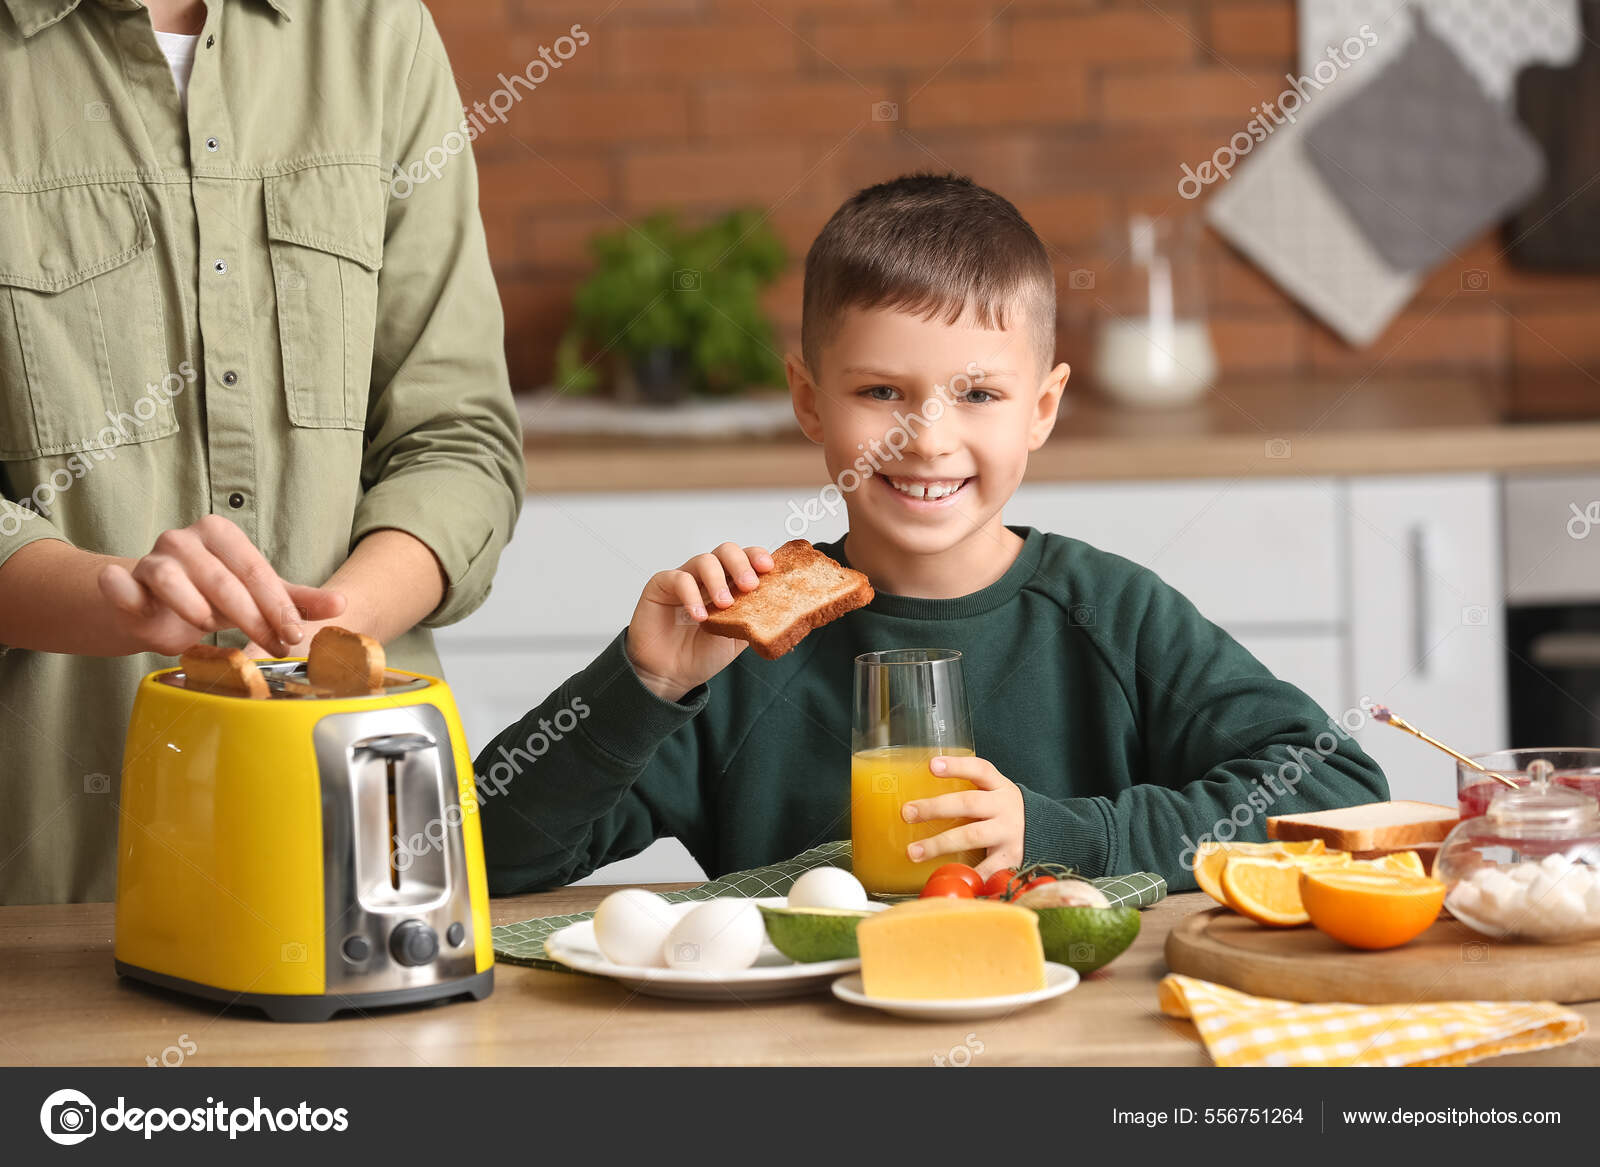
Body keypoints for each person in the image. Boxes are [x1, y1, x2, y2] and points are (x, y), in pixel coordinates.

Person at [473, 173, 1387, 895]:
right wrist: (645, 684)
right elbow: (482, 852)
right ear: (808, 401)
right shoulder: (734, 641)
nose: (928, 438)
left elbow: (1339, 792)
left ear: (1042, 408)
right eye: (882, 393)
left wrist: (1073, 834)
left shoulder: (1113, 614)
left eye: (980, 395)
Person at [0, 0, 524, 903]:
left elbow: (459, 440)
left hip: (369, 858)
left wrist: (335, 622)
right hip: (60, 879)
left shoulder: (377, 31)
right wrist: (114, 599)